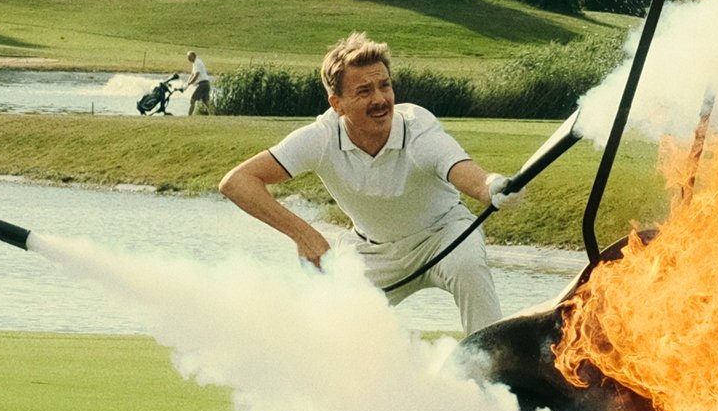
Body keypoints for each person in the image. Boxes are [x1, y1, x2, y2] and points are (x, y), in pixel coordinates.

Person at [220, 32, 518, 331]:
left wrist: (491, 187)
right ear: (337, 104)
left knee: (468, 269)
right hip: (372, 250)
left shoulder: (418, 128)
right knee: (328, 326)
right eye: (364, 91)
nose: (380, 99)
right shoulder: (321, 137)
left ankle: (491, 371)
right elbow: (237, 182)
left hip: (446, 235)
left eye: (384, 86)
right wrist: (304, 235)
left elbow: (466, 173)